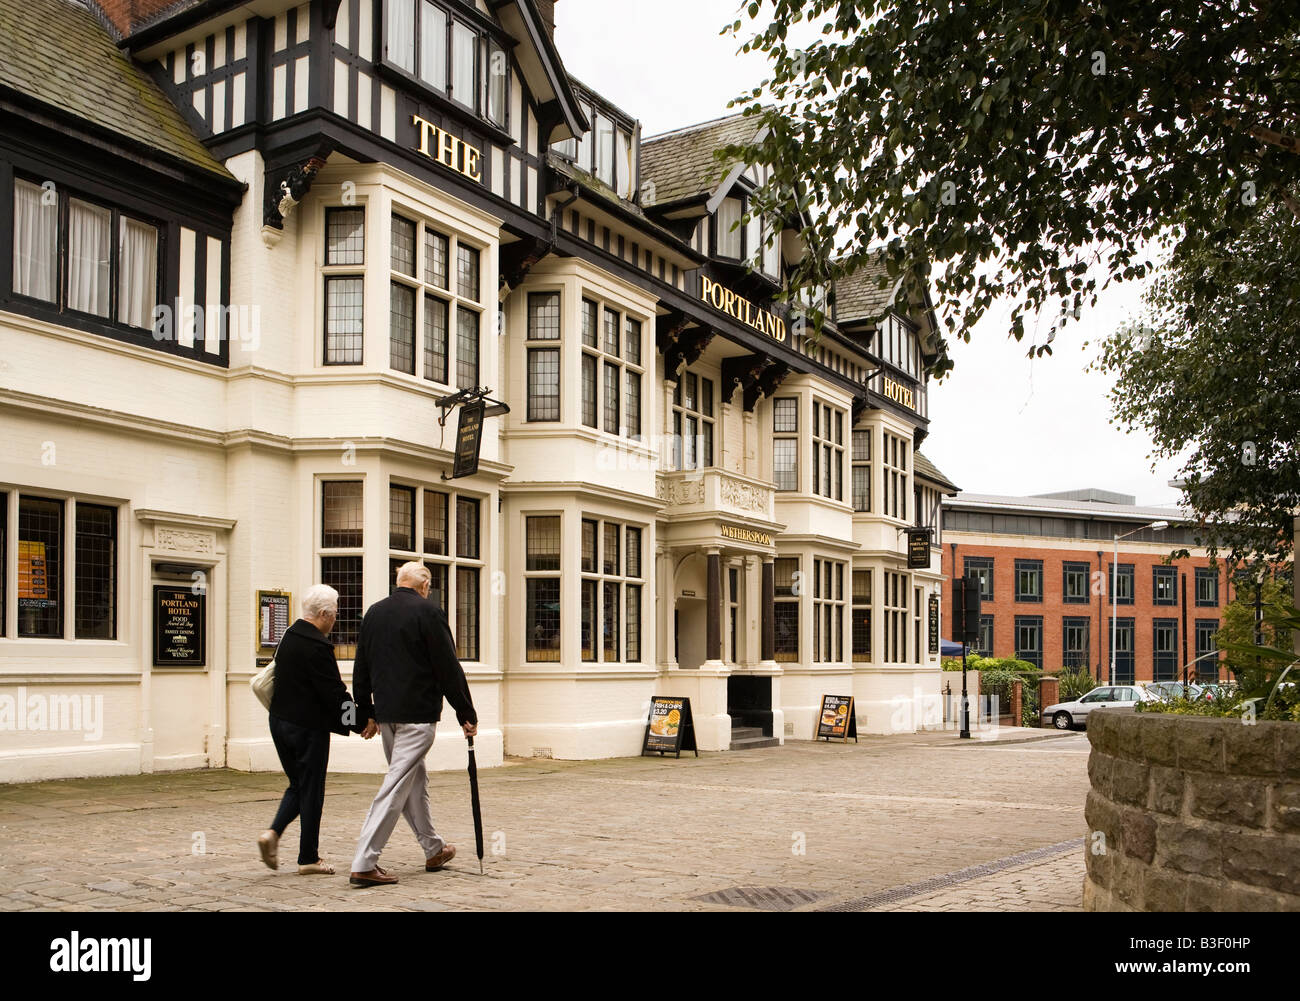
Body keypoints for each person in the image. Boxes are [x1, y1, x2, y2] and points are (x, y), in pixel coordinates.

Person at [349, 561, 477, 887]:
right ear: (425, 586)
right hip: (418, 717)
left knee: (413, 783)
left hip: (388, 714)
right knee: (395, 786)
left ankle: (433, 848)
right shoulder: (429, 613)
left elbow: (361, 668)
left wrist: (367, 712)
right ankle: (364, 861)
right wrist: (466, 712)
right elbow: (448, 667)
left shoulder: (374, 613)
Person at [258, 584, 372, 875]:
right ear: (323, 613)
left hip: (279, 721)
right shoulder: (318, 646)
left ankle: (273, 833)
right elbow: (334, 693)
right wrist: (361, 722)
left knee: (298, 784)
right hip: (307, 728)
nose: (335, 621)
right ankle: (308, 858)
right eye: (334, 616)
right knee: (312, 790)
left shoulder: (289, 635)